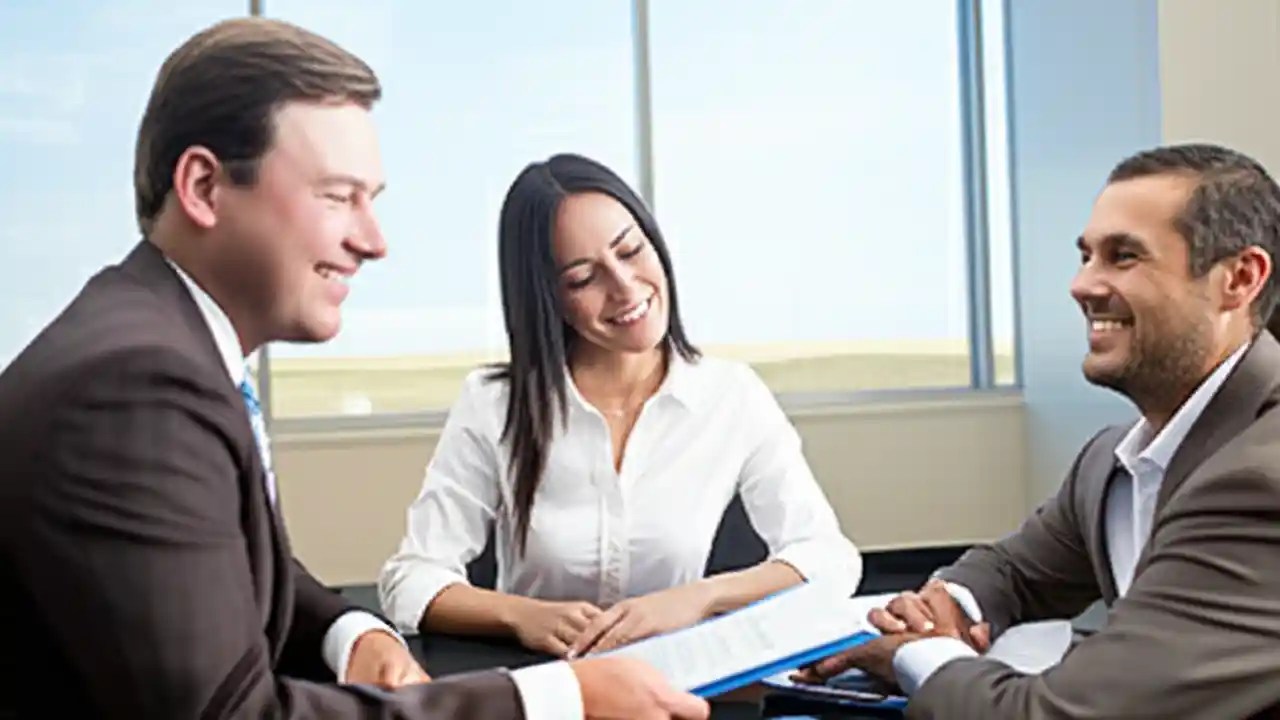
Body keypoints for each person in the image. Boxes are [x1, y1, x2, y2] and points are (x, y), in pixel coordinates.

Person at [0, 17, 708, 720]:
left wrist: (349, 632)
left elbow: (234, 572)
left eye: (373, 201)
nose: (373, 242)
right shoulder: (137, 388)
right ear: (204, 188)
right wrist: (557, 698)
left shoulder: (160, 343)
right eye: (339, 197)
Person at [796, 143, 1280, 719]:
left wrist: (914, 654)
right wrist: (946, 604)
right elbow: (1014, 571)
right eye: (1086, 256)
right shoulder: (1115, 458)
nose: (1083, 285)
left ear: (1240, 279)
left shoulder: (1258, 480)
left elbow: (1058, 715)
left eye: (1123, 257)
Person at [378, 153, 861, 659]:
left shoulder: (731, 395)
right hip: (545, 692)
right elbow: (412, 579)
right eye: (584, 278)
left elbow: (829, 559)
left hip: (673, 691)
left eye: (630, 251)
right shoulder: (495, 403)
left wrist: (699, 599)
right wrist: (523, 616)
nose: (625, 288)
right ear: (548, 298)